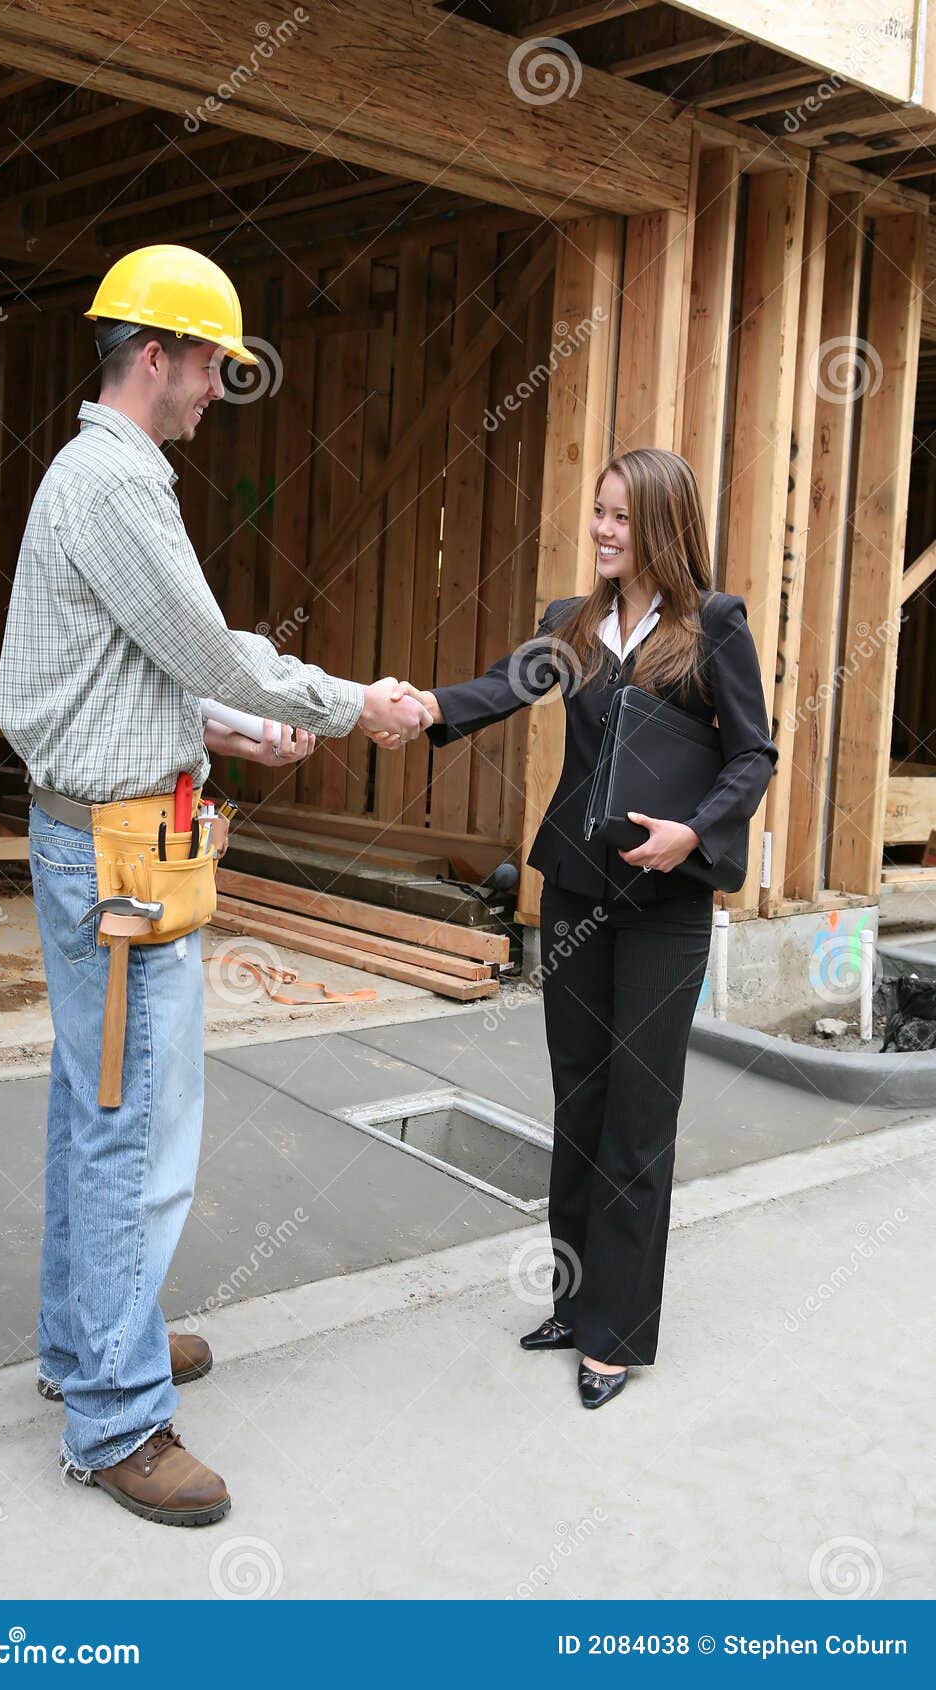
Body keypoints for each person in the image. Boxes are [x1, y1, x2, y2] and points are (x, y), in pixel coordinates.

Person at [0, 244, 430, 1527]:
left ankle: (89, 1350)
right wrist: (354, 704)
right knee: (135, 1131)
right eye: (208, 369)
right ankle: (117, 1424)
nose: (217, 394)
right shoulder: (116, 484)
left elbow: (139, 662)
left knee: (96, 1106)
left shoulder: (100, 476)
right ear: (153, 358)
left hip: (111, 831)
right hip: (119, 853)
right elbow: (199, 643)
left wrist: (223, 729)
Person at [394, 448, 777, 1410]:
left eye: (619, 516)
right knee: (581, 1099)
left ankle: (614, 1332)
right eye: (598, 512)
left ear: (660, 525)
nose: (602, 530)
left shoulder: (713, 627)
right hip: (573, 890)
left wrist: (694, 832)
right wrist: (418, 708)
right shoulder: (572, 628)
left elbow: (754, 753)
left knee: (640, 1119)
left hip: (666, 906)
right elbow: (494, 690)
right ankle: (574, 1299)